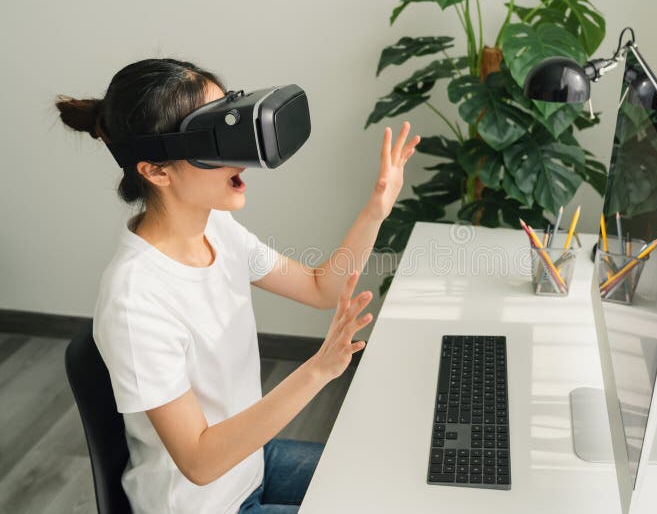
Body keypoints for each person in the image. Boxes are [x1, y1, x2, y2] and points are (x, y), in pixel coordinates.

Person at [55, 58, 420, 514]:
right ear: (157, 171)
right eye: (213, 140)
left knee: (393, 489)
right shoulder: (134, 300)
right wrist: (319, 370)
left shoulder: (218, 230)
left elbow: (320, 288)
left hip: (251, 464)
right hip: (206, 504)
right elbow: (200, 460)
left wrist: (376, 209)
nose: (239, 154)